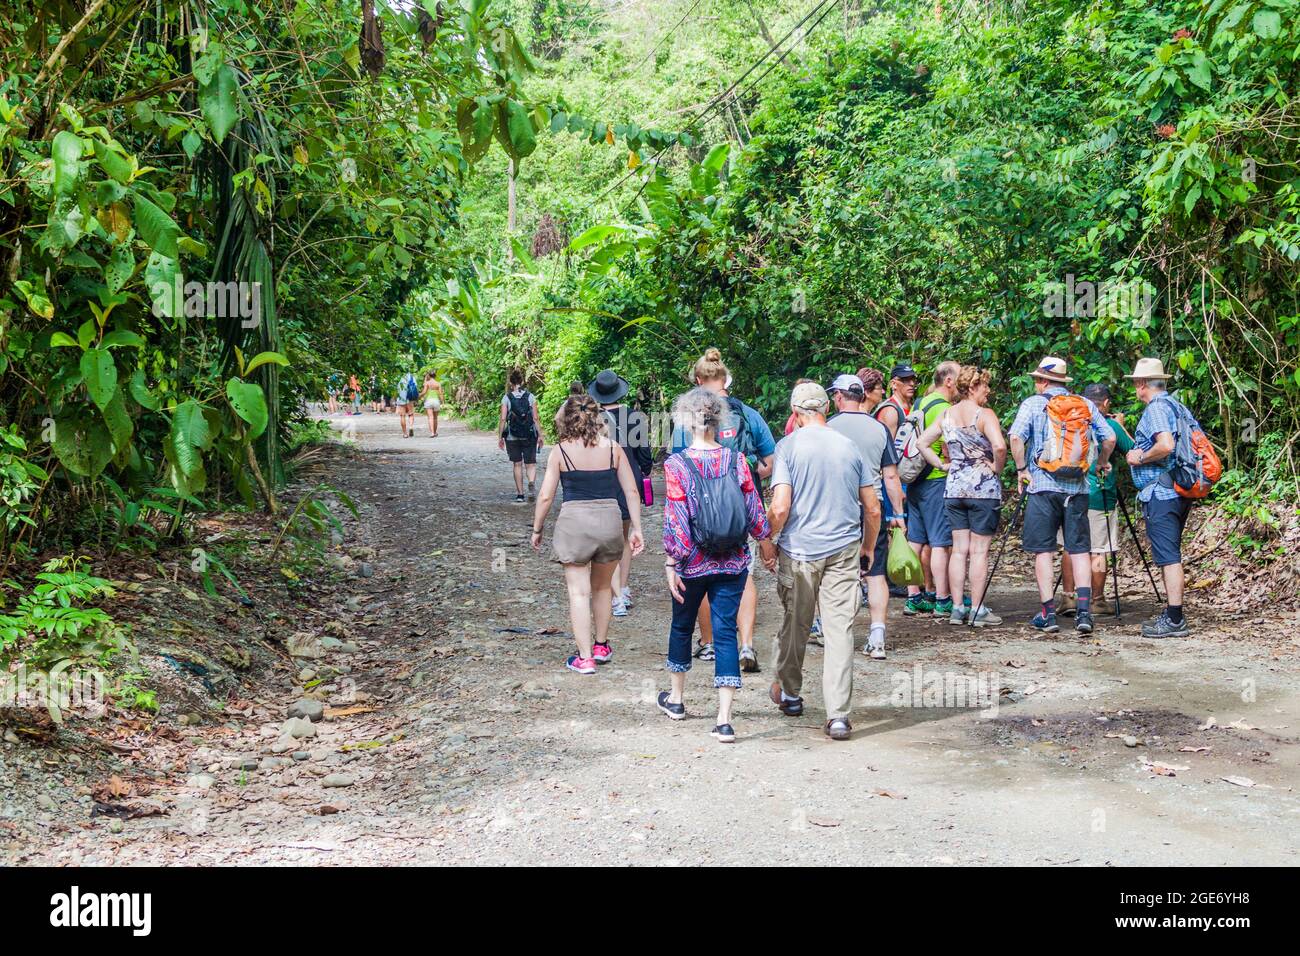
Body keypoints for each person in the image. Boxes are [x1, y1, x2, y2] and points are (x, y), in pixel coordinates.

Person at [764, 382, 877, 741]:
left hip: (799, 550)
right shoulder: (849, 447)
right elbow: (872, 507)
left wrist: (767, 538)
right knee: (839, 630)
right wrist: (868, 546)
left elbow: (780, 507)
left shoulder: (788, 447)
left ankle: (792, 694)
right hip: (844, 548)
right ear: (826, 409)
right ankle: (838, 715)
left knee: (795, 623)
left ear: (795, 413)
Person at [659, 388, 772, 743]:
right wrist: (763, 537)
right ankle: (724, 720)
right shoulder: (737, 461)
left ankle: (676, 700)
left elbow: (675, 517)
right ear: (718, 419)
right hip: (733, 560)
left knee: (682, 626)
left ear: (685, 420)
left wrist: (672, 560)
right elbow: (755, 513)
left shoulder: (676, 465)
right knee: (725, 633)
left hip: (692, 561)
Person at [671, 349, 776, 673]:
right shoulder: (748, 414)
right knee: (742, 573)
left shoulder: (688, 419)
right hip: (740, 509)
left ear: (699, 382)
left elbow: (678, 466)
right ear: (725, 378)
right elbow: (770, 462)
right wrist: (739, 479)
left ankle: (709, 643)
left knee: (700, 575)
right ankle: (745, 644)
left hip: (698, 511)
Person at [531, 395, 644, 673]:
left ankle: (584, 658)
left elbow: (546, 496)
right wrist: (637, 528)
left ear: (566, 419)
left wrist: (537, 528)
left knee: (579, 593)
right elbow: (631, 490)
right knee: (603, 587)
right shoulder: (612, 449)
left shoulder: (560, 451)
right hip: (609, 522)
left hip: (575, 524)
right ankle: (601, 645)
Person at [1009, 355, 1116, 635]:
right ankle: (1084, 614)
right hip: (1077, 489)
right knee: (1079, 549)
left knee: (1043, 551)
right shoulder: (1086, 405)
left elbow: (1016, 438)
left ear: (1043, 381)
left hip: (1043, 486)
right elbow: (1110, 438)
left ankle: (1048, 614)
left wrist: (1022, 469)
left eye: (1037, 380)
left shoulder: (1033, 404)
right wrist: (1103, 462)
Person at [917, 365, 1006, 626]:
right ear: (973, 387)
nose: (988, 391)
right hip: (982, 489)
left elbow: (922, 442)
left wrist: (942, 465)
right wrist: (996, 468)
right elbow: (999, 446)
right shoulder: (984, 414)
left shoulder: (947, 414)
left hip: (954, 488)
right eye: (985, 386)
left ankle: (957, 608)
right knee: (979, 552)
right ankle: (977, 610)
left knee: (958, 550)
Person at [827, 373, 905, 659]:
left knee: (838, 572)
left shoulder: (828, 428)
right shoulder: (879, 428)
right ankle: (877, 633)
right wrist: (899, 513)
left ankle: (836, 633)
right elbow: (891, 475)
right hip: (873, 506)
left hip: (837, 506)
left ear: (838, 397)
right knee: (875, 571)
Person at [1124, 358, 1194, 638]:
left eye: (1135, 383)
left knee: (1168, 556)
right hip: (1178, 489)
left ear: (1142, 384)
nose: (1135, 389)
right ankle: (1172, 613)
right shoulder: (1177, 405)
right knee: (1170, 552)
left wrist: (1139, 457)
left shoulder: (1155, 409)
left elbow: (1166, 445)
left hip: (1162, 492)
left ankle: (1175, 619)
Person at [1059, 383, 1133, 615]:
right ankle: (1097, 600)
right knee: (1098, 549)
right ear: (1107, 403)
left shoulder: (1073, 421)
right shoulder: (1110, 425)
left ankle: (1069, 597)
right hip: (1100, 495)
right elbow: (1133, 450)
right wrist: (1121, 427)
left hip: (1071, 490)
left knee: (1071, 547)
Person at [588, 370, 654, 617]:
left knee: (608, 540)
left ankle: (614, 596)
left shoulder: (591, 418)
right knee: (625, 538)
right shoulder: (634, 417)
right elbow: (645, 454)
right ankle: (623, 590)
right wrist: (640, 472)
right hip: (630, 483)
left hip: (602, 482)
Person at [903, 361, 960, 618]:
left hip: (915, 478)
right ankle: (942, 598)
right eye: (960, 378)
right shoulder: (946, 409)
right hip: (937, 477)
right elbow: (949, 446)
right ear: (948, 380)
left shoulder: (921, 403)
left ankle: (913, 595)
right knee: (940, 543)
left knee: (916, 540)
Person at [875, 362, 927, 603]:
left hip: (908, 475)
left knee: (903, 527)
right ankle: (890, 577)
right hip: (892, 476)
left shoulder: (911, 408)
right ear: (893, 383)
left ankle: (902, 574)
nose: (911, 384)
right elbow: (885, 450)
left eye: (913, 380)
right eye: (905, 380)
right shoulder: (890, 411)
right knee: (892, 526)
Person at [498, 369, 544, 504]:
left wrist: (500, 437)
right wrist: (540, 435)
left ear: (511, 382)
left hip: (512, 436)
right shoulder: (531, 397)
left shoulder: (506, 398)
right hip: (529, 435)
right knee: (531, 464)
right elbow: (535, 418)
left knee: (517, 464)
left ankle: (520, 495)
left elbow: (502, 419)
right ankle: (531, 482)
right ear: (522, 381)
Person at [396, 369, 419, 438]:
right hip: (409, 399)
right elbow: (415, 387)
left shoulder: (398, 377)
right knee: (411, 414)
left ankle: (405, 434)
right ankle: (411, 427)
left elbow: (396, 388)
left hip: (401, 398)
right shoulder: (411, 377)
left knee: (402, 416)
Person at [421, 371, 444, 437]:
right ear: (435, 376)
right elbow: (440, 394)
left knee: (430, 417)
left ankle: (432, 433)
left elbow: (424, 392)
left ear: (429, 376)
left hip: (429, 401)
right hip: (436, 401)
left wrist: (418, 396)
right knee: (435, 418)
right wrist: (442, 402)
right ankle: (435, 432)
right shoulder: (438, 384)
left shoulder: (427, 383)